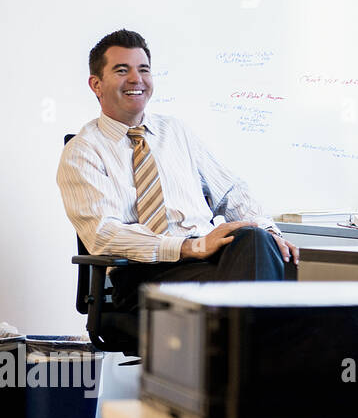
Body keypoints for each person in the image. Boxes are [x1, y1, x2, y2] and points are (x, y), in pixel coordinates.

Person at [57, 29, 297, 323]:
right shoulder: (82, 152)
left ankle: (243, 357)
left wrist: (269, 231)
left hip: (208, 261)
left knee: (255, 238)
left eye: (143, 69)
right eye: (122, 70)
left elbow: (232, 191)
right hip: (144, 275)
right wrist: (189, 247)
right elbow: (104, 235)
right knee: (255, 284)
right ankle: (252, 359)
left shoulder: (175, 132)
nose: (136, 79)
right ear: (96, 84)